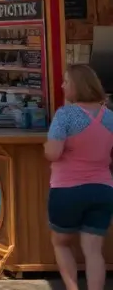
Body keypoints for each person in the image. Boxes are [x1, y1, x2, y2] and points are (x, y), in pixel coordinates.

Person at [45, 63, 113, 290]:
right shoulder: (110, 117)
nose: (62, 85)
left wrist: (47, 145)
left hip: (67, 189)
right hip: (103, 188)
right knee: (94, 250)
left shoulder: (65, 116)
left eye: (66, 81)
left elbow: (53, 154)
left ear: (77, 85)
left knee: (61, 243)